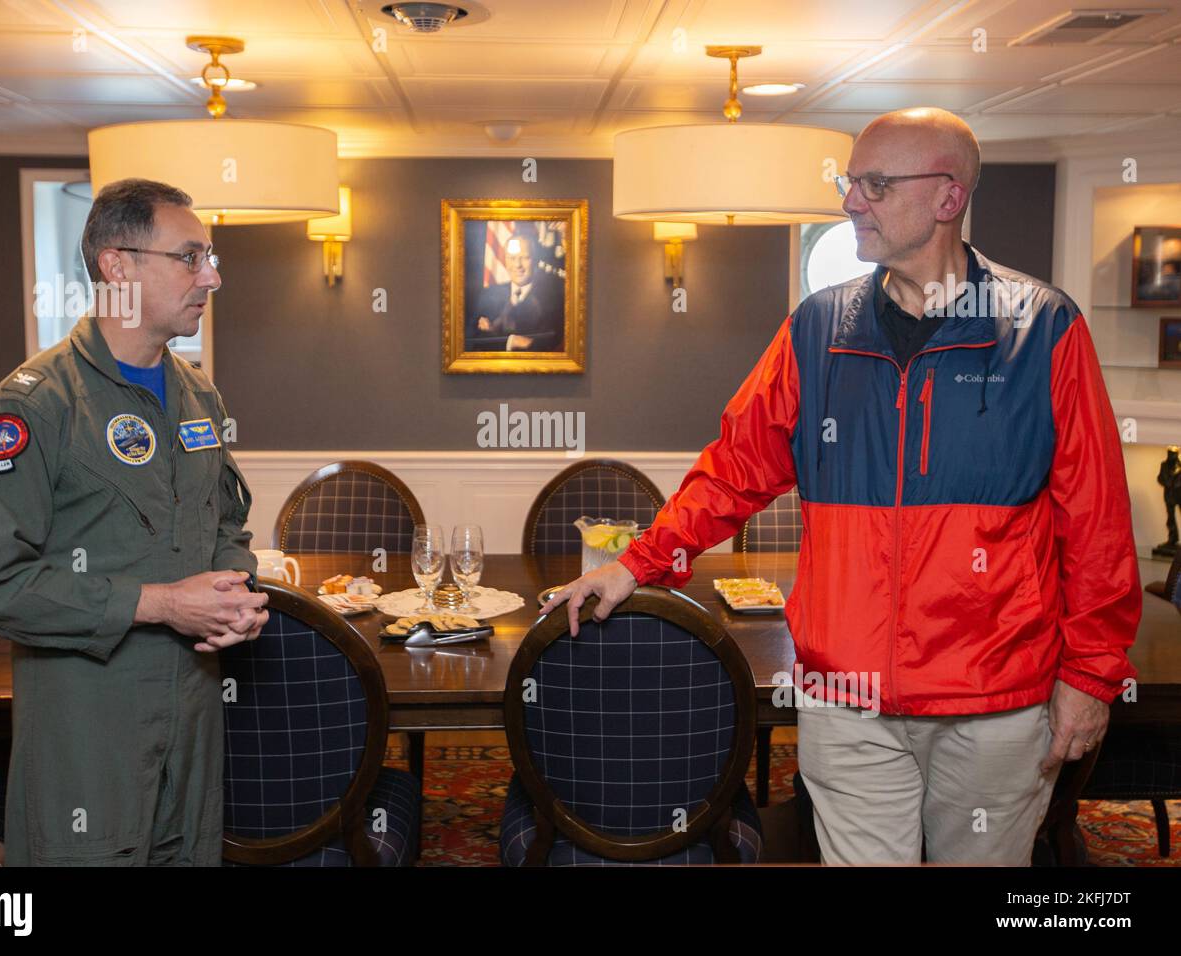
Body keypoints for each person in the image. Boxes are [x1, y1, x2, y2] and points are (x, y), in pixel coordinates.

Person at [543, 107, 1141, 865]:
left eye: (876, 184)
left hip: (993, 699)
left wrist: (1090, 675)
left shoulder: (1043, 328)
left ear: (948, 197)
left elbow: (1095, 522)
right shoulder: (816, 328)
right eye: (850, 182)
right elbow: (735, 467)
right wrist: (638, 561)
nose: (851, 200)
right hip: (846, 696)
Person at [0, 178, 269, 866]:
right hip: (88, 725)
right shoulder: (35, 407)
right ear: (118, 266)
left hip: (192, 714)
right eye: (191, 257)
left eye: (210, 256)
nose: (212, 276)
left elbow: (225, 521)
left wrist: (235, 589)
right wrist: (160, 605)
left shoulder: (199, 395)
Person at [467, 225, 564, 351]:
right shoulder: (488, 295)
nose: (517, 265)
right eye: (512, 258)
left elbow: (549, 348)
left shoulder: (552, 300)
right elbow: (468, 342)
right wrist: (512, 341)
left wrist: (492, 337)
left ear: (535, 260)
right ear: (505, 260)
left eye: (524, 257)